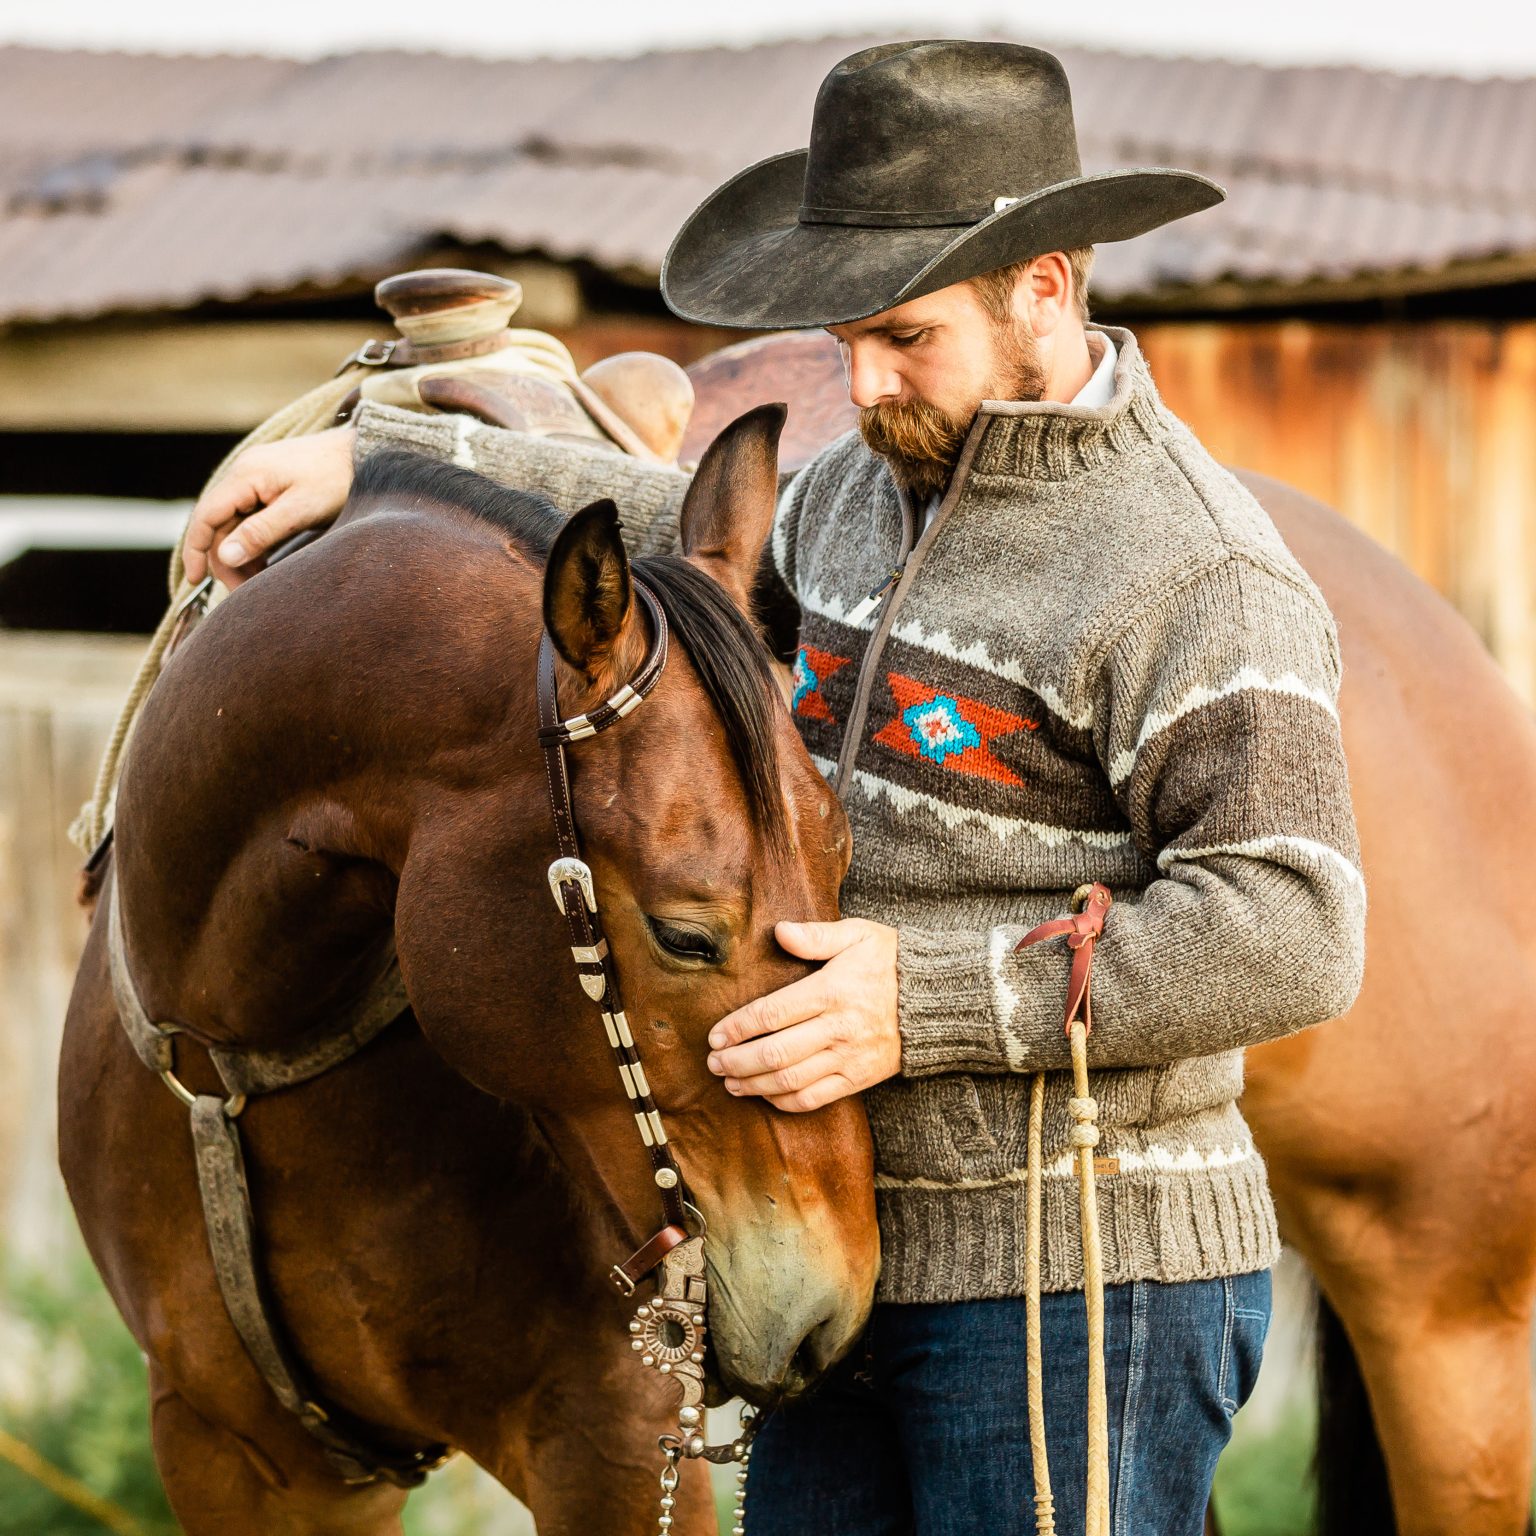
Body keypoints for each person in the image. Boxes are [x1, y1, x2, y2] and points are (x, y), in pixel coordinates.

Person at [182, 40, 1366, 1535]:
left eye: (906, 337)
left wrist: (922, 999)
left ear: (1049, 287)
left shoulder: (1198, 574)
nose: (859, 383)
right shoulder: (869, 485)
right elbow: (669, 531)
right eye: (843, 338)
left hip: (1085, 1278)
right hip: (842, 1256)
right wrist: (389, 468)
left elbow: (1294, 926)